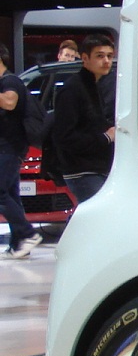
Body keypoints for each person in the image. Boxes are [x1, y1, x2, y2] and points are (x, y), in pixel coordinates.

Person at [53, 33, 116, 203]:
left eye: (109, 56)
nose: (106, 61)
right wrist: (106, 138)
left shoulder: (93, 87)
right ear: (85, 58)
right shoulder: (73, 89)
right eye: (100, 56)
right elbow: (64, 136)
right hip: (81, 171)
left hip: (95, 169)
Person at [0, 43, 43, 259]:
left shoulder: (9, 81)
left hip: (10, 147)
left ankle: (28, 233)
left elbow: (9, 102)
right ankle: (19, 243)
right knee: (11, 194)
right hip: (7, 147)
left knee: (1, 193)